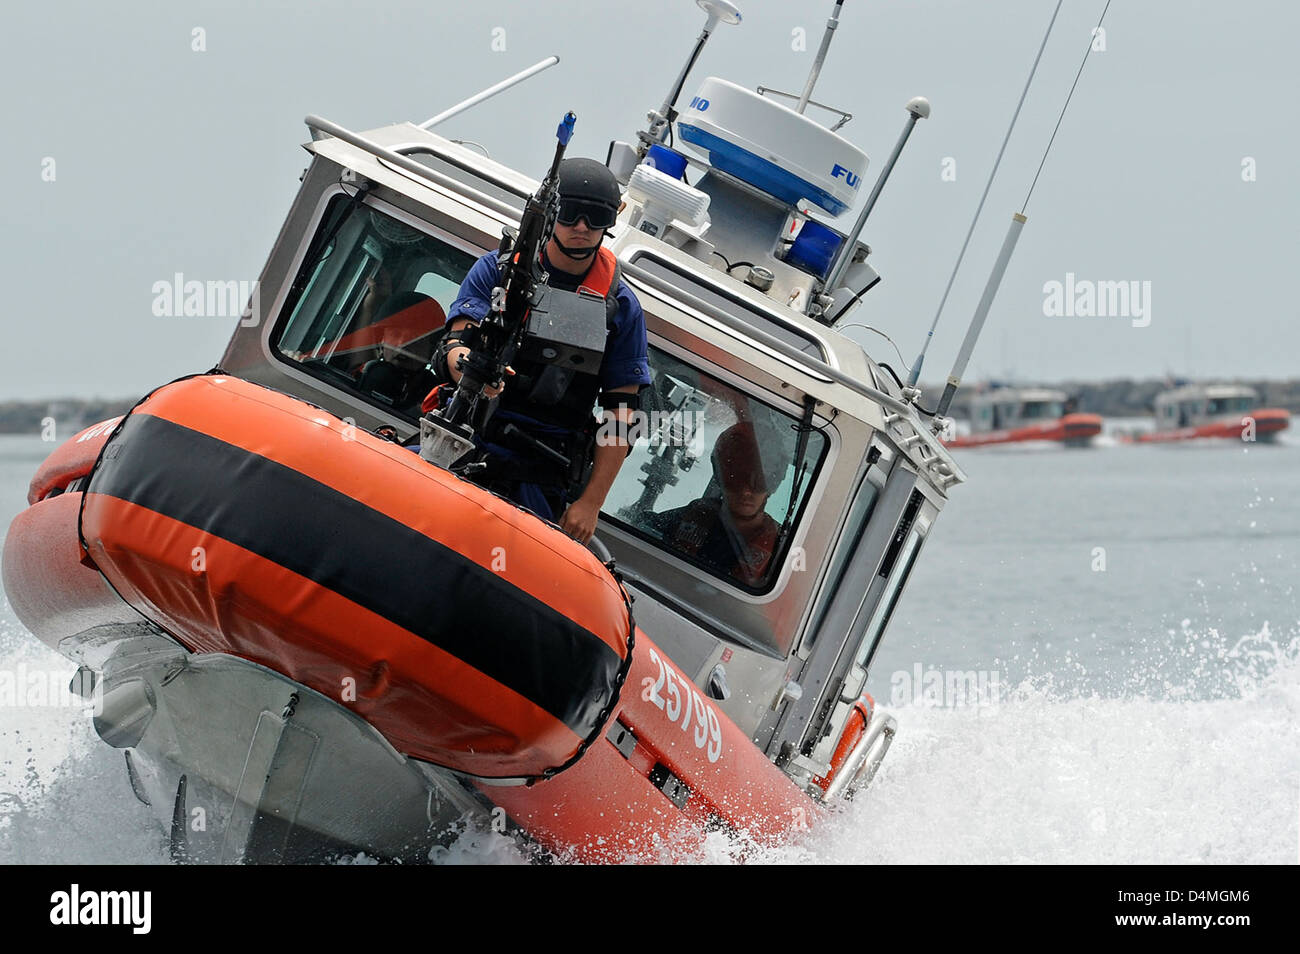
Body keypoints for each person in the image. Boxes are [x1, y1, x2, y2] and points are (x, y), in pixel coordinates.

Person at [433, 157, 650, 543]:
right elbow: (454, 345)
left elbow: (622, 414)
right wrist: (472, 369)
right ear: (550, 213)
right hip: (461, 437)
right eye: (570, 213)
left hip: (541, 470)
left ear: (613, 218)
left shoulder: (620, 308)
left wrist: (590, 503)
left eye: (596, 217)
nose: (581, 226)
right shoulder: (497, 270)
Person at [647, 422, 781, 587]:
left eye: (758, 481)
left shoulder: (782, 554)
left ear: (773, 483)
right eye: (735, 478)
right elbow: (644, 528)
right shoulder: (691, 516)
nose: (745, 491)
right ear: (720, 477)